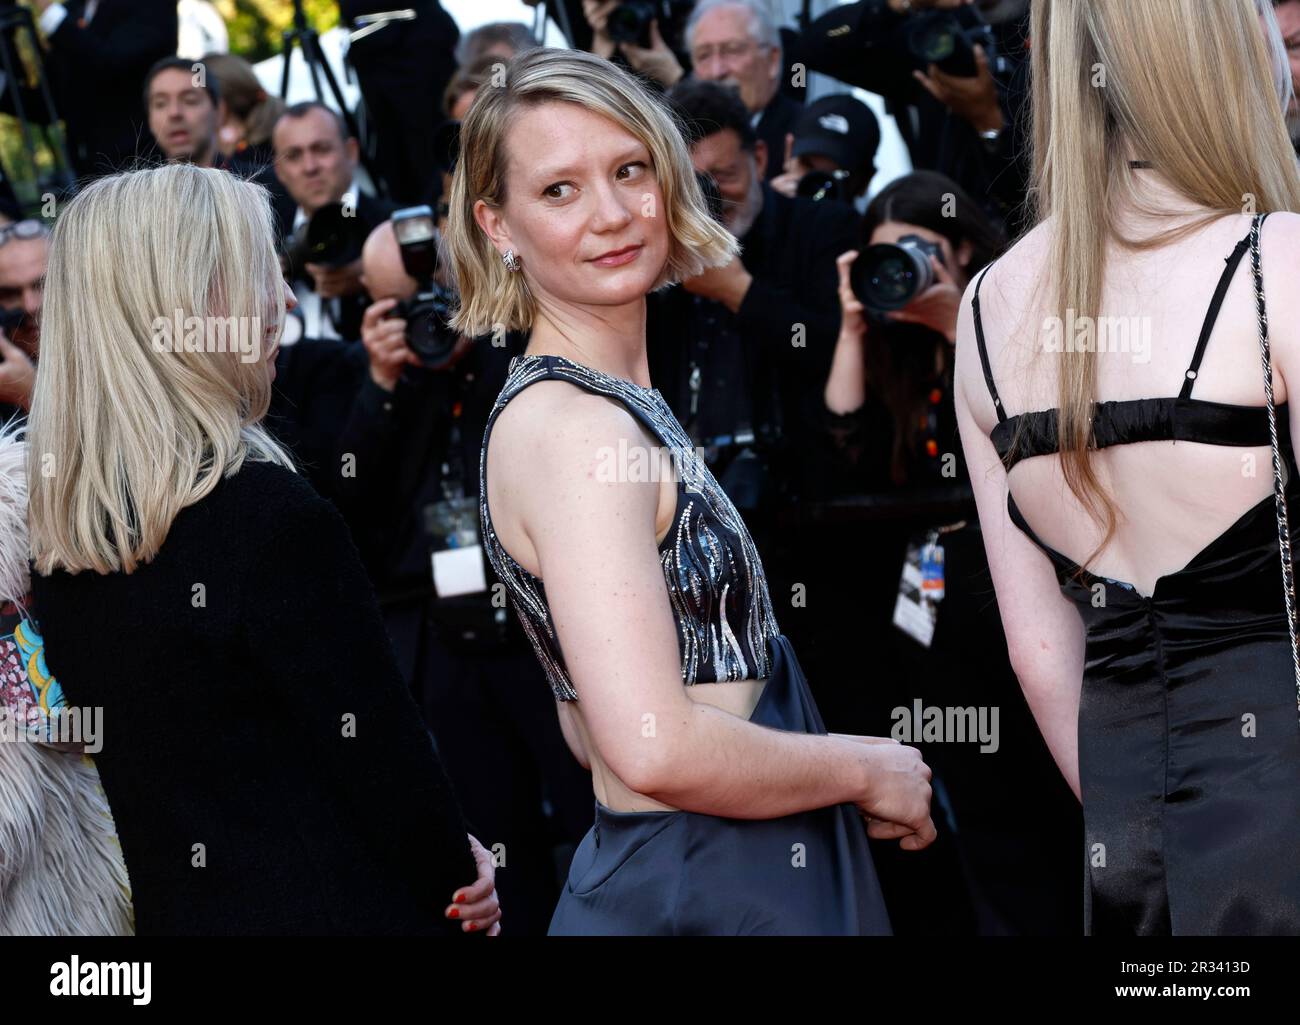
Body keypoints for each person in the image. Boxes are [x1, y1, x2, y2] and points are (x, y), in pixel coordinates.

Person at [445, 46, 934, 935]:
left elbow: (585, 725)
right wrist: (867, 767)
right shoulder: (579, 431)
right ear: (498, 225)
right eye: (558, 190)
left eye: (629, 169)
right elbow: (649, 743)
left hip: (713, 867)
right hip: (704, 884)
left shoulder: (602, 403)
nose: (610, 213)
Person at [25, 163, 500, 936]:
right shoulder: (267, 521)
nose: (284, 300)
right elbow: (388, 766)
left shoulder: (65, 541)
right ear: (185, 306)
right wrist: (461, 874)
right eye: (259, 272)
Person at [954, 0, 1300, 935]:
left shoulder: (986, 309)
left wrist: (1142, 828)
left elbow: (1037, 653)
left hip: (1129, 859)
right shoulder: (1283, 264)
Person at [820, 171, 1080, 935]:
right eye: (883, 256)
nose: (900, 268)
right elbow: (841, 447)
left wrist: (952, 319)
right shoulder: (889, 353)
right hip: (932, 619)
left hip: (1025, 593)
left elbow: (1036, 415)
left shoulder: (1010, 311)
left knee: (1058, 791)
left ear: (963, 249)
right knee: (984, 802)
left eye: (919, 251)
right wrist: (850, 324)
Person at [686, 0, 802, 183]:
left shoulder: (804, 135)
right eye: (704, 55)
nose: (717, 71)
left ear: (772, 60)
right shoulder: (677, 137)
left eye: (732, 50)